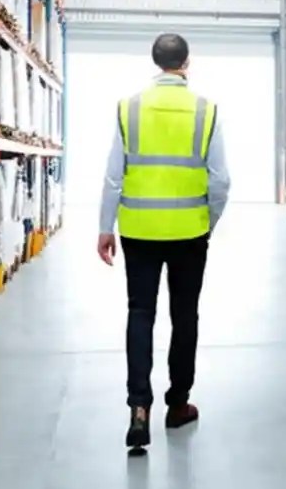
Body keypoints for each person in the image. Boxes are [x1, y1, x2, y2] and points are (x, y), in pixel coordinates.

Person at [96, 33, 231, 450]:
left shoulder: (129, 107)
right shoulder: (206, 110)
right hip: (189, 230)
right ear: (186, 62)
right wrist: (207, 221)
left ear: (155, 62)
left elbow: (113, 176)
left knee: (140, 313)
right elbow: (221, 181)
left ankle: (139, 409)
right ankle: (178, 404)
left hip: (138, 229)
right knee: (184, 315)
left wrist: (105, 227)